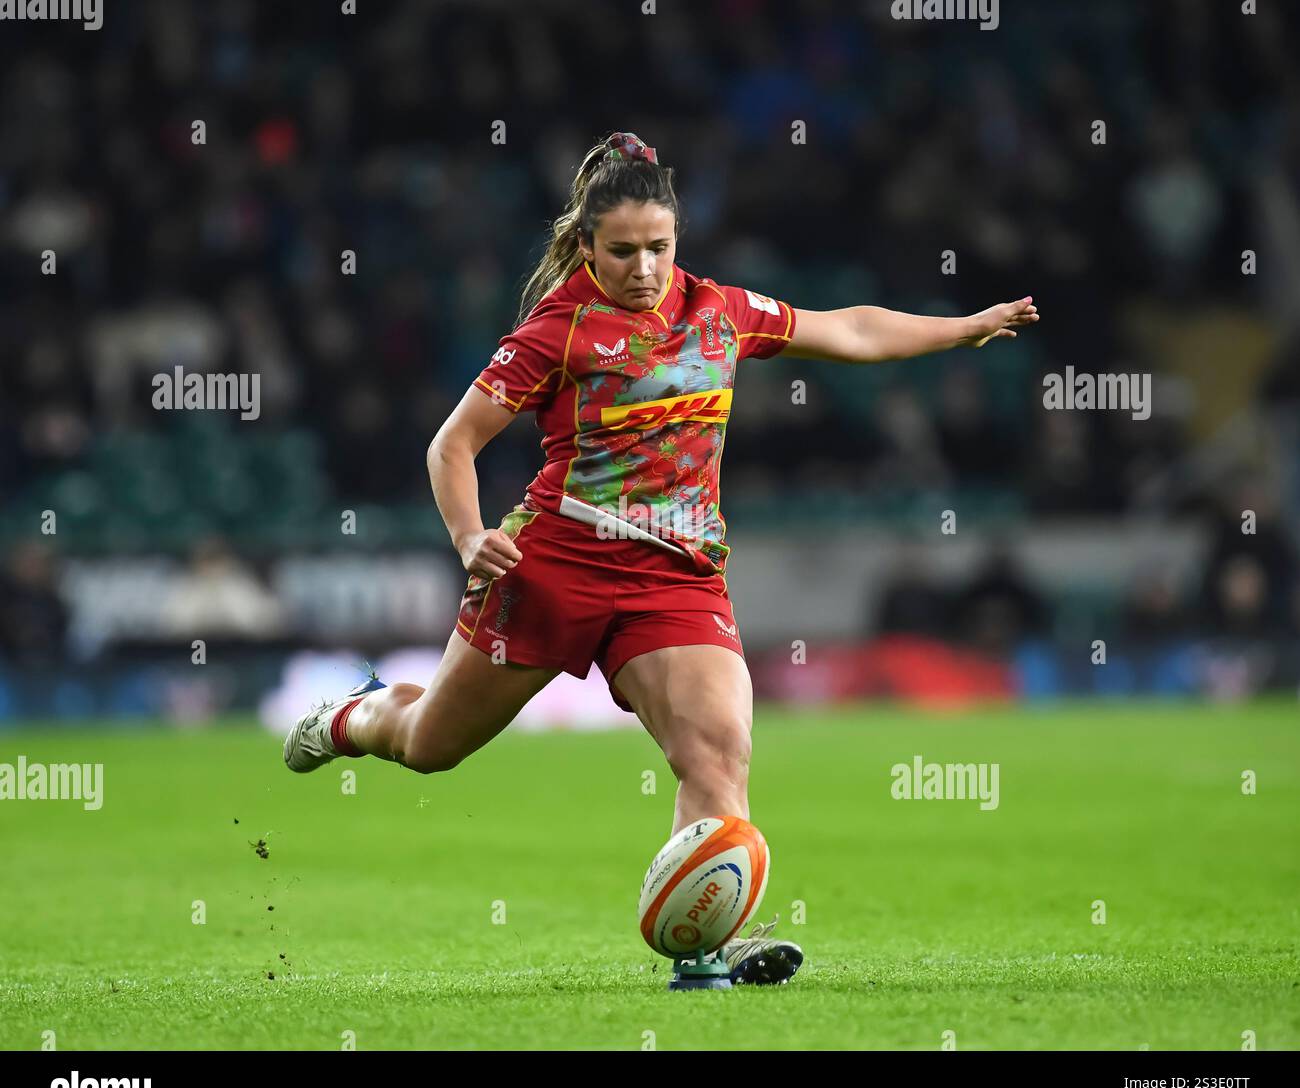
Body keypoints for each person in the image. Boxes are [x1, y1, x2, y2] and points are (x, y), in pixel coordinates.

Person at [282, 131, 1039, 985]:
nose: (643, 268)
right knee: (429, 746)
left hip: (676, 576)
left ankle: (707, 950)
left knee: (717, 751)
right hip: (552, 566)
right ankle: (355, 715)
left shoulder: (717, 310)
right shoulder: (556, 331)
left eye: (659, 247)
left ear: (678, 239)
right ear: (584, 246)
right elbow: (451, 446)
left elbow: (850, 330)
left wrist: (965, 328)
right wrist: (467, 537)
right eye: (622, 251)